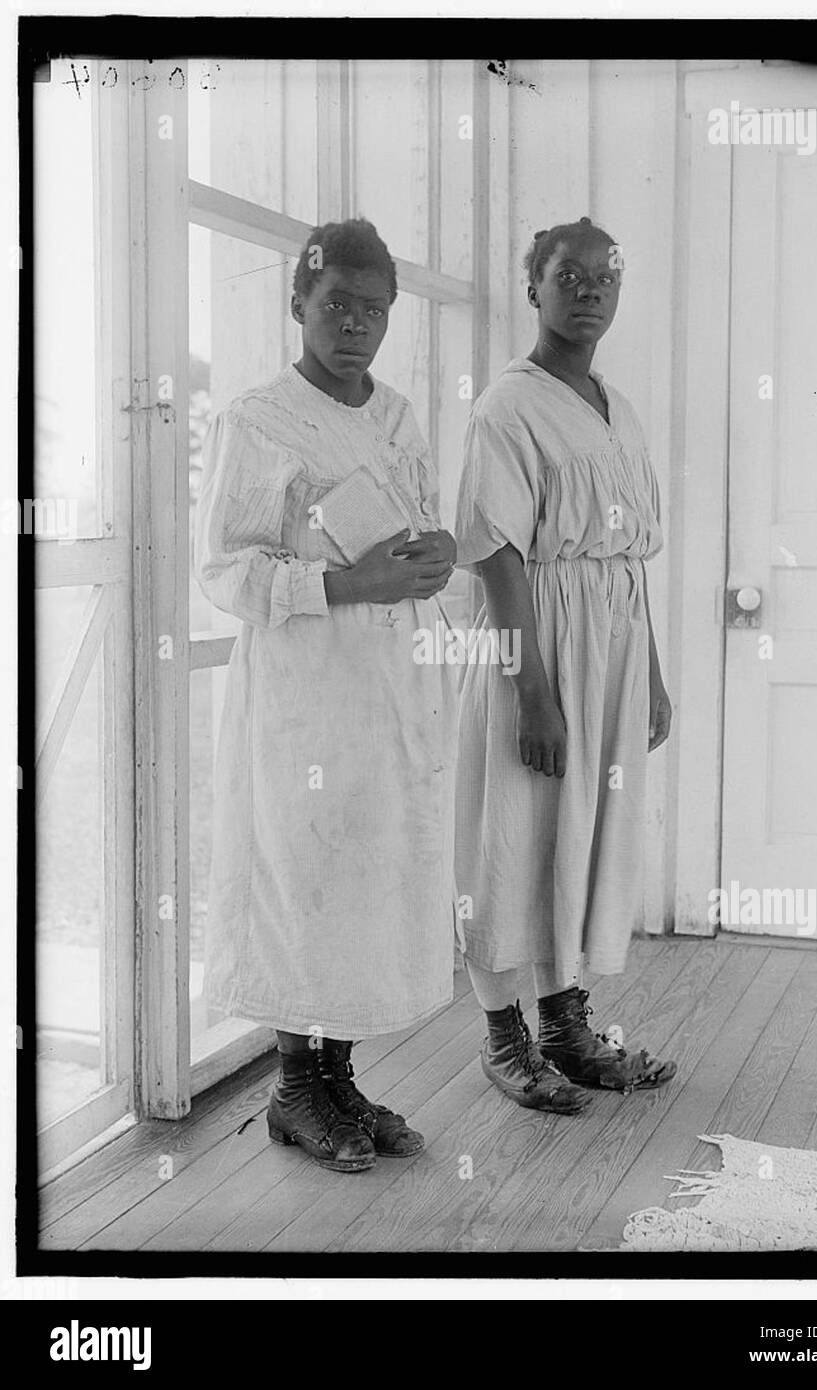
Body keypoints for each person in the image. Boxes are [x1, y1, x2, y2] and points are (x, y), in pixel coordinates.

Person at [195, 218, 457, 1172]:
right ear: (298, 303)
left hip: (386, 684)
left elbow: (417, 527)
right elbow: (224, 571)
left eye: (374, 309)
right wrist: (347, 585)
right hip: (303, 687)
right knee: (302, 872)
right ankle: (293, 1087)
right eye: (337, 303)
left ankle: (337, 1075)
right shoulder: (255, 419)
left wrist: (434, 558)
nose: (355, 323)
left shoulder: (395, 415)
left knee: (366, 876)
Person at [453, 216, 678, 1114]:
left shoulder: (618, 407)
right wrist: (532, 692)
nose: (588, 291)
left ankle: (567, 1025)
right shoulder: (507, 406)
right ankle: (505, 1037)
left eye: (605, 279)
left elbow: (629, 560)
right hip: (537, 642)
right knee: (514, 829)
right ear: (533, 286)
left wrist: (652, 671)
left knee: (582, 832)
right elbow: (499, 555)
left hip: (614, 644)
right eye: (568, 276)